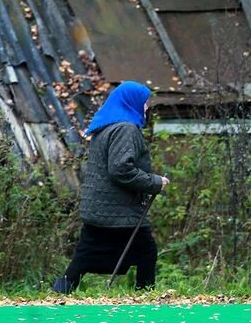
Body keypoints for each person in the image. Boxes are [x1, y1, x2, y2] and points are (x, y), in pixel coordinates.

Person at [53, 81, 168, 294]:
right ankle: (145, 297)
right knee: (146, 251)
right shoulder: (126, 128)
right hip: (119, 210)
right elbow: (120, 169)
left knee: (84, 256)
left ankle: (59, 292)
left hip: (100, 207)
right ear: (131, 102)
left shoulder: (107, 126)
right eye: (144, 102)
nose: (147, 107)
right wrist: (155, 182)